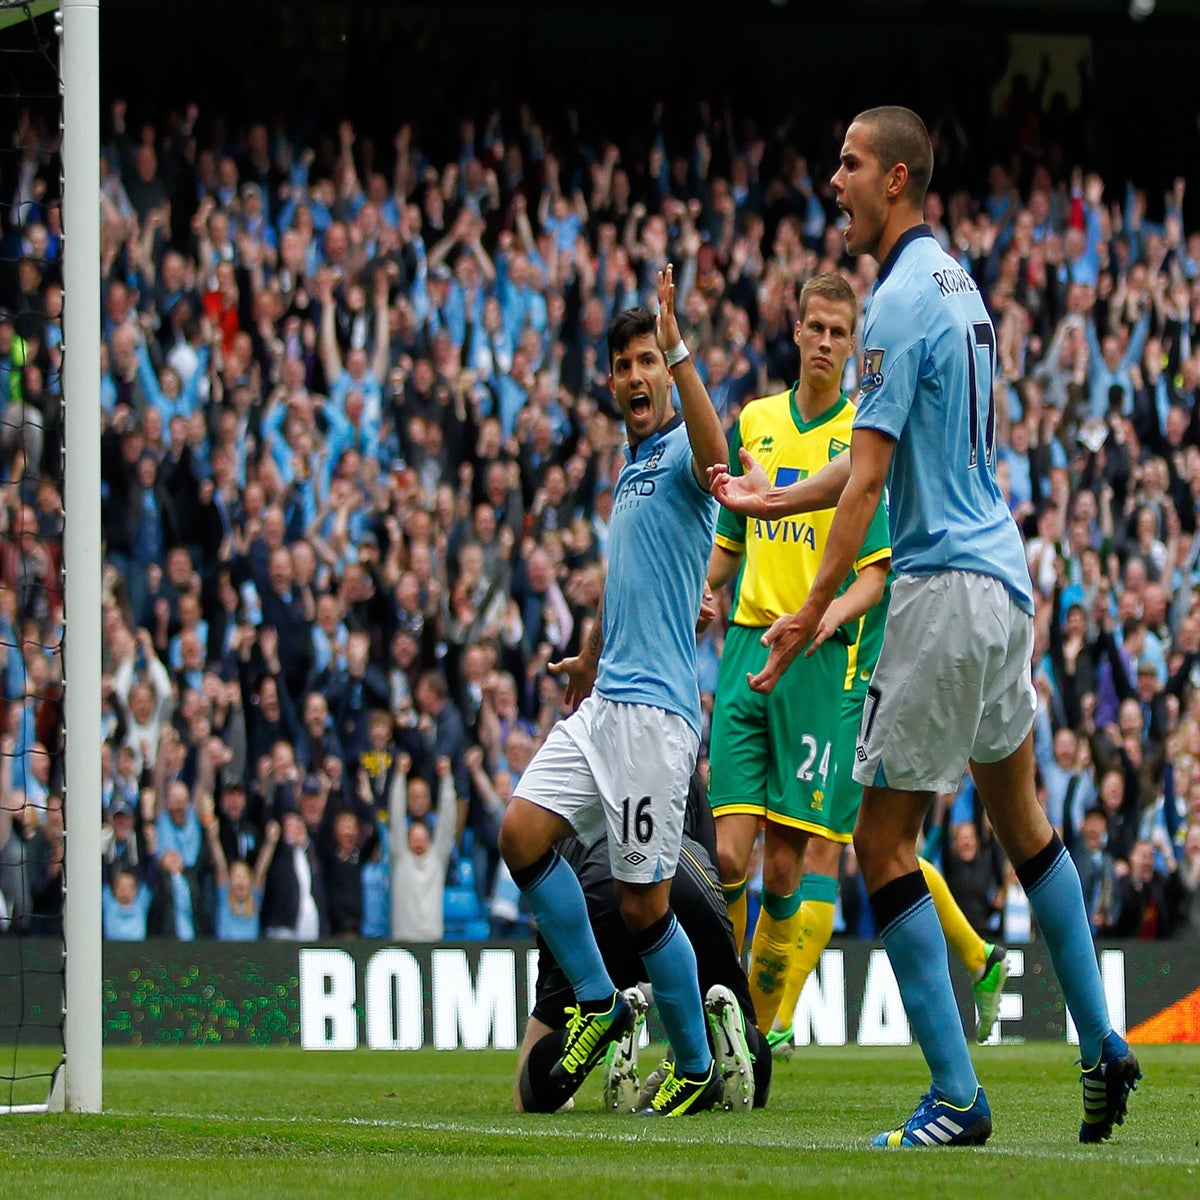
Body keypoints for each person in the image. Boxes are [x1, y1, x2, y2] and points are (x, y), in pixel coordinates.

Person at [710, 107, 1137, 1147]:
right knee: (1026, 825)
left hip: (940, 592)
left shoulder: (892, 305)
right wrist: (772, 505)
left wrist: (810, 607)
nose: (834, 181)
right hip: (1004, 583)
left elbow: (868, 485)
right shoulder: (956, 283)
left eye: (850, 165)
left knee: (882, 839)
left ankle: (955, 1094)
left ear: (895, 179)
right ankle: (1101, 1043)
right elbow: (869, 461)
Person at [704, 271, 1006, 1049]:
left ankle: (761, 1026)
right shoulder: (757, 421)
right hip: (748, 642)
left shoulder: (863, 434)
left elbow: (877, 567)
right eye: (817, 328)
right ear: (796, 330)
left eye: (842, 333)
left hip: (830, 661)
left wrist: (820, 619)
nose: (827, 343)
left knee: (818, 856)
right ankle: (735, 1014)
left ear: (854, 343)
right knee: (738, 854)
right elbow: (733, 534)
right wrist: (708, 590)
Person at [498, 266, 729, 1117]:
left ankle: (698, 1067)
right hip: (604, 706)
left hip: (657, 719)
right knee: (520, 834)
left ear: (663, 372)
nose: (634, 376)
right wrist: (588, 659)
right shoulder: (632, 465)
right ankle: (598, 1004)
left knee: (643, 905)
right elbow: (621, 583)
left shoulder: (680, 455)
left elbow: (717, 456)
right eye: (623, 363)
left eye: (646, 362)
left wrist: (680, 347)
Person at [515, 776, 768, 1115]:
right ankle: (713, 1042)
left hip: (600, 886)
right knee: (739, 1027)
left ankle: (614, 1026)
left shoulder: (565, 774)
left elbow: (552, 923)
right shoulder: (681, 761)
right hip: (685, 871)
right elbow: (713, 866)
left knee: (533, 1091)